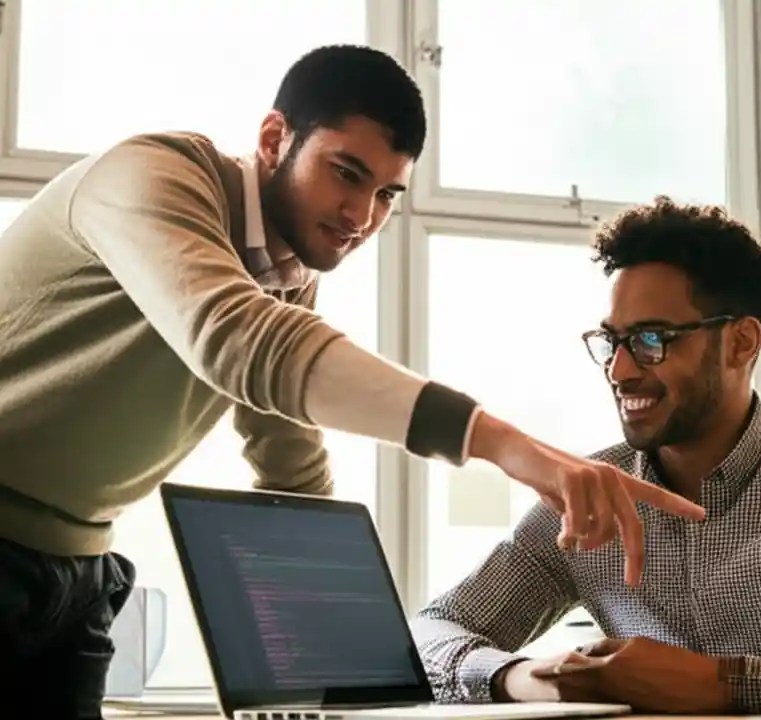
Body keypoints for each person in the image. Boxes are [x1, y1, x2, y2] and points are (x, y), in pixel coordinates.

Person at [0, 45, 702, 718]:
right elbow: (235, 338)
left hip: (77, 575)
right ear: (275, 137)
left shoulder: (283, 277)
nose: (361, 217)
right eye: (346, 173)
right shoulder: (152, 176)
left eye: (387, 193)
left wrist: (338, 675)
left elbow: (290, 465)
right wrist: (506, 445)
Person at [412, 196, 761, 715]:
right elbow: (431, 633)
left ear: (742, 342)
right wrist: (520, 677)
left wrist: (726, 682)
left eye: (652, 340)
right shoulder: (586, 496)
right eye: (612, 342)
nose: (620, 370)